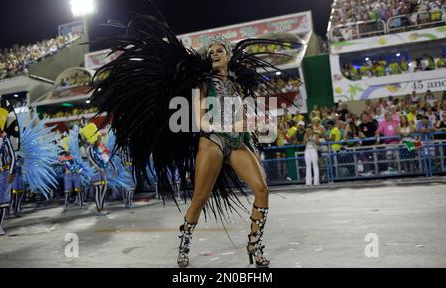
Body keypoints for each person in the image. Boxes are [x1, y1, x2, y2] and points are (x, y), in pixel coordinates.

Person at [91, 15, 297, 268]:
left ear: (229, 55)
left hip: (236, 143)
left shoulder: (237, 86)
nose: (214, 54)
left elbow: (243, 118)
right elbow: (200, 122)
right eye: (211, 52)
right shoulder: (202, 83)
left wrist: (254, 128)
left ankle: (254, 244)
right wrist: (231, 126)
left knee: (262, 190)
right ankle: (185, 242)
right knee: (200, 198)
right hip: (211, 142)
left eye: (219, 50)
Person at [0, 123, 16, 236]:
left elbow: (13, 157)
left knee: (2, 202)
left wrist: (11, 172)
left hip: (4, 174)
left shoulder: (5, 140)